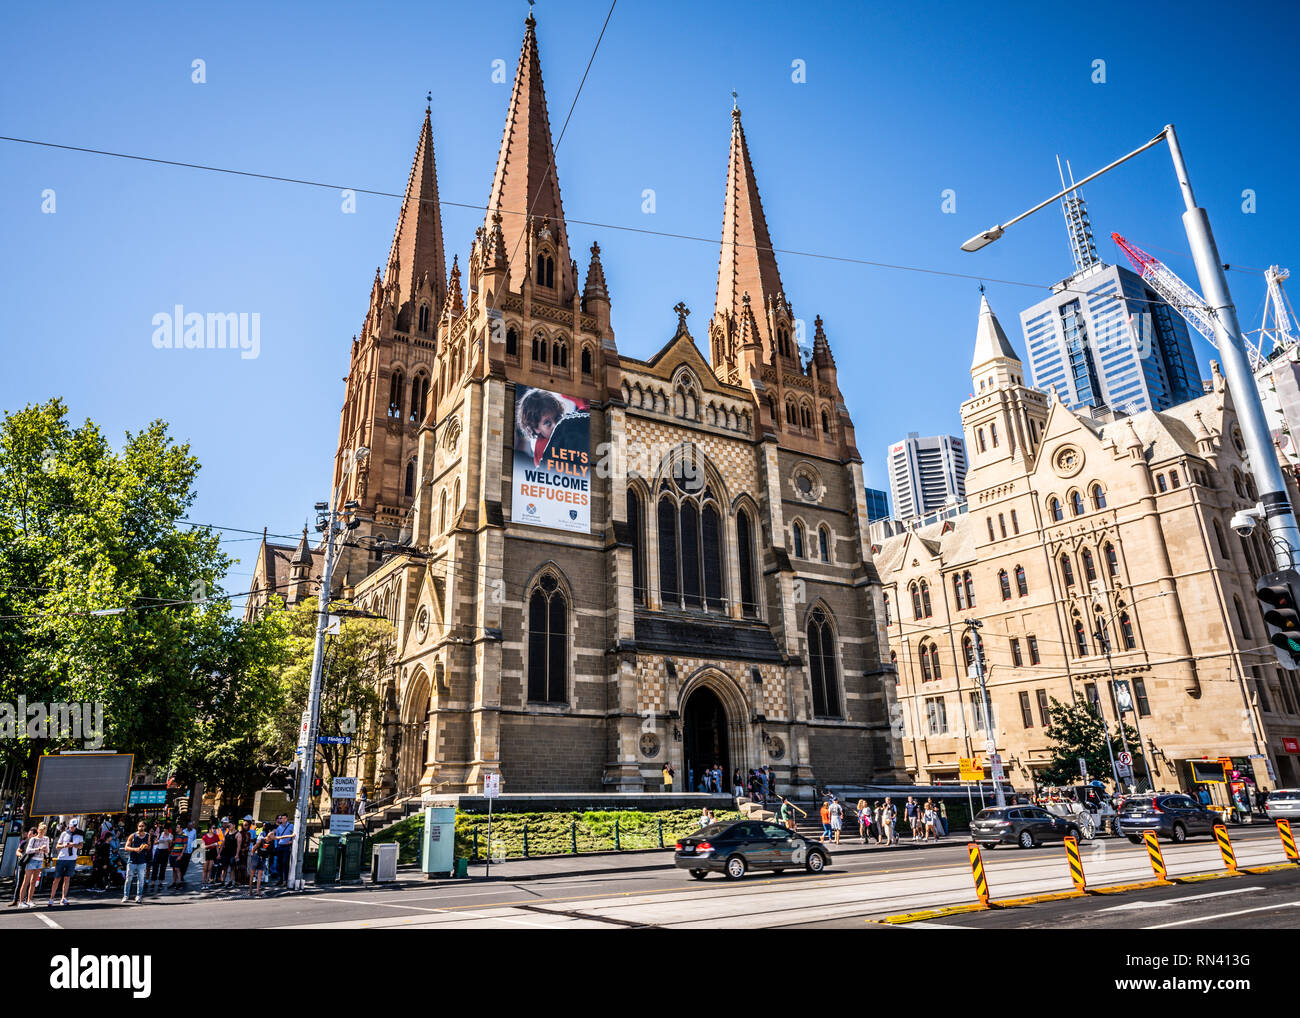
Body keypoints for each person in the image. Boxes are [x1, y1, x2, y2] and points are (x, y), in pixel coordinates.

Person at [48, 818, 83, 907]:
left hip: (72, 859)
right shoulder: (64, 833)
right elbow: (57, 846)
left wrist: (73, 845)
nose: (71, 828)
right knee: (57, 879)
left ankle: (64, 898)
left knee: (67, 878)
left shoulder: (79, 835)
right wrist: (64, 845)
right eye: (70, 827)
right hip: (62, 858)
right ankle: (51, 898)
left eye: (73, 827)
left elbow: (81, 846)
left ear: (76, 826)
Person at [18, 823, 49, 907]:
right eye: (41, 831)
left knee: (33, 882)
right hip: (32, 861)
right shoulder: (33, 839)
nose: (42, 833)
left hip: (40, 861)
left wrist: (45, 849)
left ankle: (29, 900)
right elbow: (28, 850)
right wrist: (38, 849)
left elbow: (47, 851)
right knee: (26, 881)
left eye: (44, 831)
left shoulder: (46, 839)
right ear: (38, 830)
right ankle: (20, 902)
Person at [121, 821, 151, 904]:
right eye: (139, 826)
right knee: (128, 879)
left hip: (142, 861)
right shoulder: (132, 835)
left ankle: (138, 896)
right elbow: (126, 847)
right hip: (132, 861)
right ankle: (126, 896)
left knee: (141, 880)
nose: (141, 828)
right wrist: (135, 849)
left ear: (145, 827)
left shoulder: (147, 835)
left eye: (142, 826)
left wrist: (145, 846)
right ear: (137, 827)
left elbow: (149, 846)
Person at [171, 817, 197, 888]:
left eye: (192, 825)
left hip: (189, 851)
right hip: (182, 851)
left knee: (186, 865)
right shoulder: (184, 831)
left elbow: (194, 839)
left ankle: (182, 876)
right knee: (180, 865)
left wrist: (194, 848)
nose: (191, 826)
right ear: (188, 826)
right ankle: (180, 877)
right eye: (190, 825)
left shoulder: (194, 831)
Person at [273, 813, 294, 887]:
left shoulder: (291, 826)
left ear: (287, 818)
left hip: (286, 846)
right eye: (282, 818)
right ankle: (280, 879)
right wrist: (276, 846)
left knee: (285, 863)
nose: (283, 820)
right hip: (280, 846)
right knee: (279, 864)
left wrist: (291, 841)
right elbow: (276, 837)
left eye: (285, 818)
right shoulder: (279, 827)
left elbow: (295, 835)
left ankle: (285, 880)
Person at [200, 821, 222, 887]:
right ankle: (203, 883)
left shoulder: (216, 836)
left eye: (215, 828)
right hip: (206, 852)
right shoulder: (204, 836)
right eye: (213, 828)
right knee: (205, 869)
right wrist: (211, 844)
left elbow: (217, 847)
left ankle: (207, 883)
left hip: (213, 853)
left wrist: (218, 854)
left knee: (209, 869)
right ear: (209, 829)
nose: (215, 829)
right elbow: (203, 846)